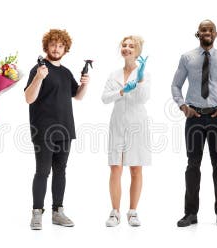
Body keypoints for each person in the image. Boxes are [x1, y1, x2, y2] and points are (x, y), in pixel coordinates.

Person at [171, 19, 217, 227]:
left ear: (215, 33)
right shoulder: (187, 58)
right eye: (203, 29)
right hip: (193, 118)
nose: (206, 32)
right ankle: (190, 213)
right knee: (192, 165)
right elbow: (176, 86)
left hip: (216, 118)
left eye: (210, 29)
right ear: (198, 33)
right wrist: (183, 106)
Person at [25, 29, 89, 230]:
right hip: (43, 128)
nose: (56, 48)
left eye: (60, 45)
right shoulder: (38, 69)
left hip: (65, 128)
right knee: (43, 171)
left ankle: (57, 212)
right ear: (46, 46)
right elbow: (28, 98)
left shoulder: (66, 72)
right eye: (53, 44)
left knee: (60, 171)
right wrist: (39, 78)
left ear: (65, 49)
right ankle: (37, 213)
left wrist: (85, 85)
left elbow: (77, 96)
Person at [101, 35, 151, 227]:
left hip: (137, 124)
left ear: (137, 51)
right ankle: (115, 212)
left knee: (136, 168)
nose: (127, 48)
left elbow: (143, 98)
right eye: (124, 45)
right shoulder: (114, 74)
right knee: (115, 167)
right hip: (117, 124)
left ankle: (133, 212)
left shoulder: (145, 73)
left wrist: (140, 79)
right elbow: (105, 98)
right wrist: (121, 91)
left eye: (131, 46)